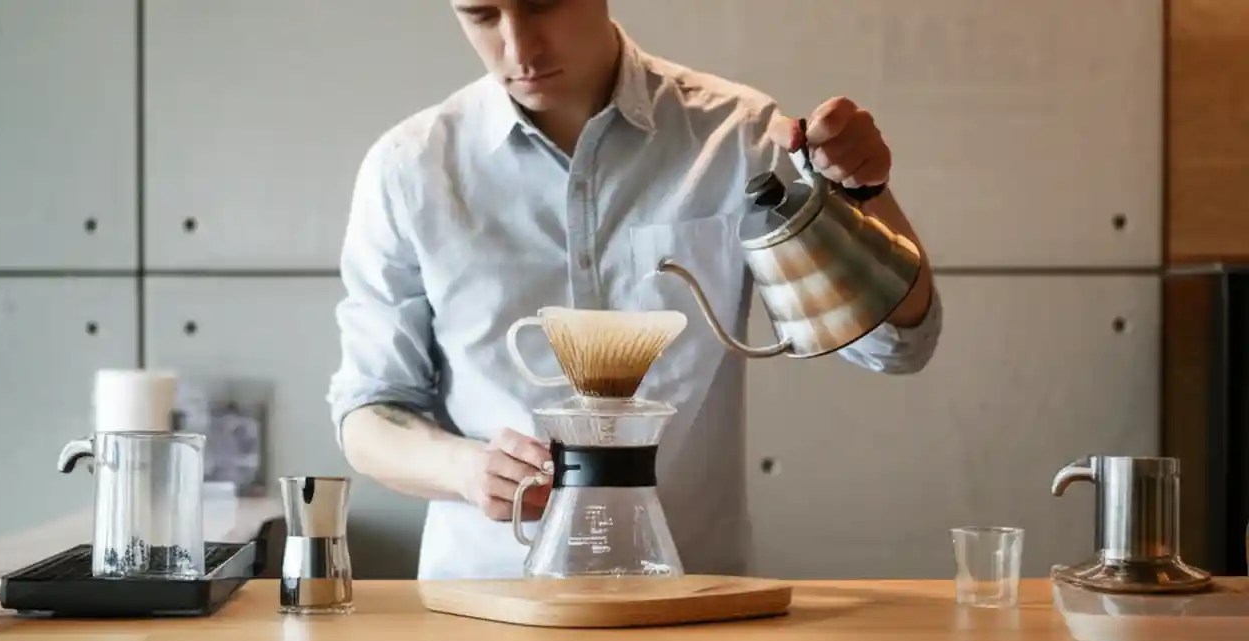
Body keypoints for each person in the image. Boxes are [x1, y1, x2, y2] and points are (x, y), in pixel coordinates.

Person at [327, 0, 942, 580]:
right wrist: (464, 469)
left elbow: (894, 345)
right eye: (481, 13)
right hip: (484, 604)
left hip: (691, 599)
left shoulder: (736, 138)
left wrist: (866, 194)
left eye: (543, 3)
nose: (519, 48)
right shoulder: (409, 170)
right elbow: (369, 412)